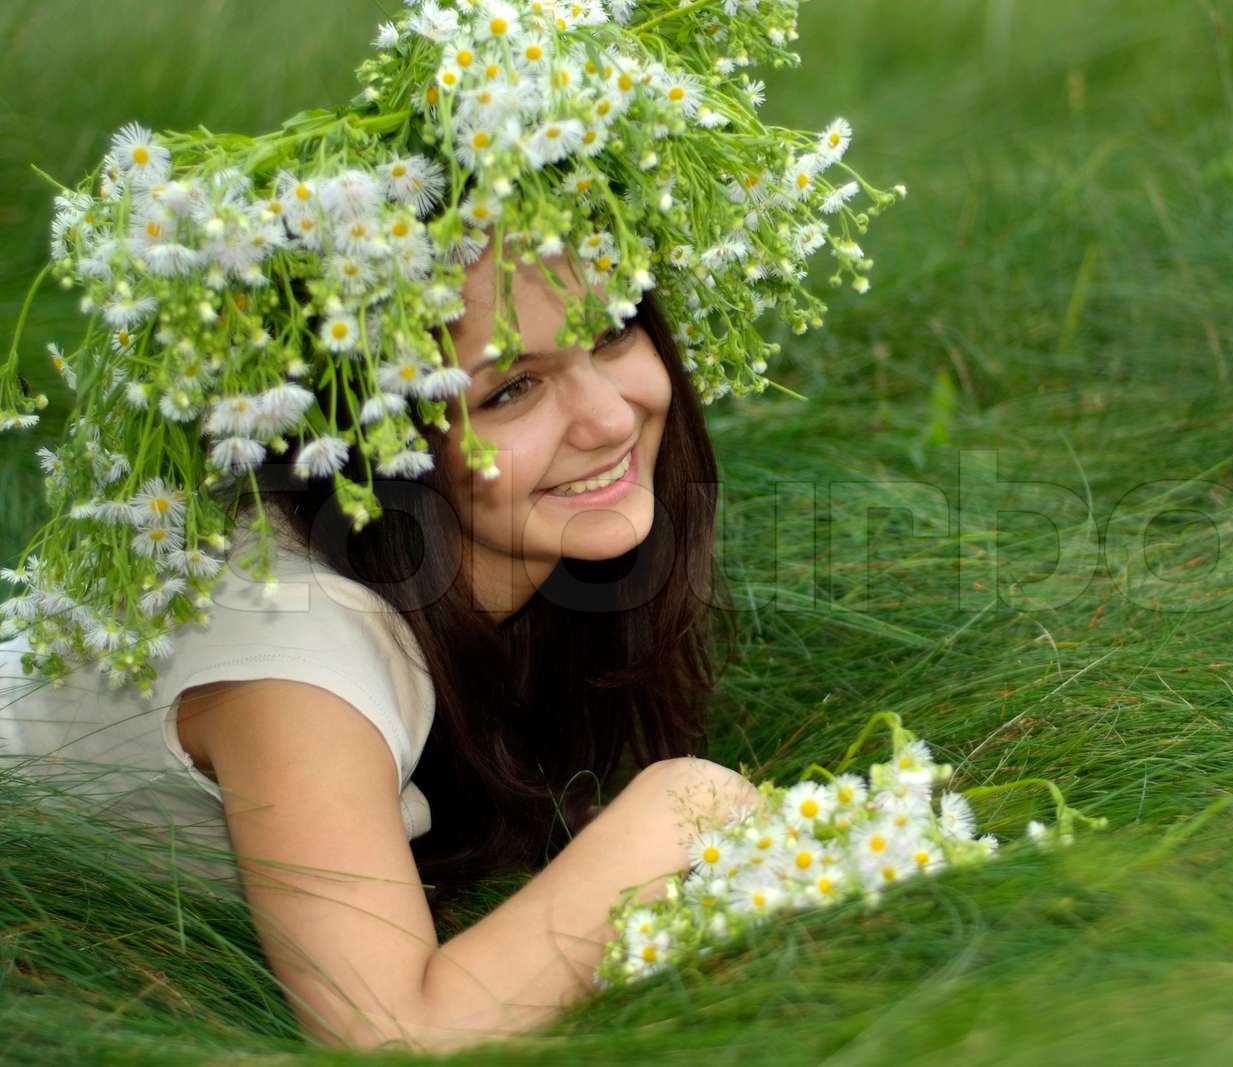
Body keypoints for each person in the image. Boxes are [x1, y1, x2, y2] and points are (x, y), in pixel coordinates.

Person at [0, 0, 901, 1052]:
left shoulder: (499, 583)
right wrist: (682, 808)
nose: (611, 416)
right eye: (512, 389)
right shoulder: (292, 649)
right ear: (378, 445)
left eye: (612, 332)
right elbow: (394, 1036)